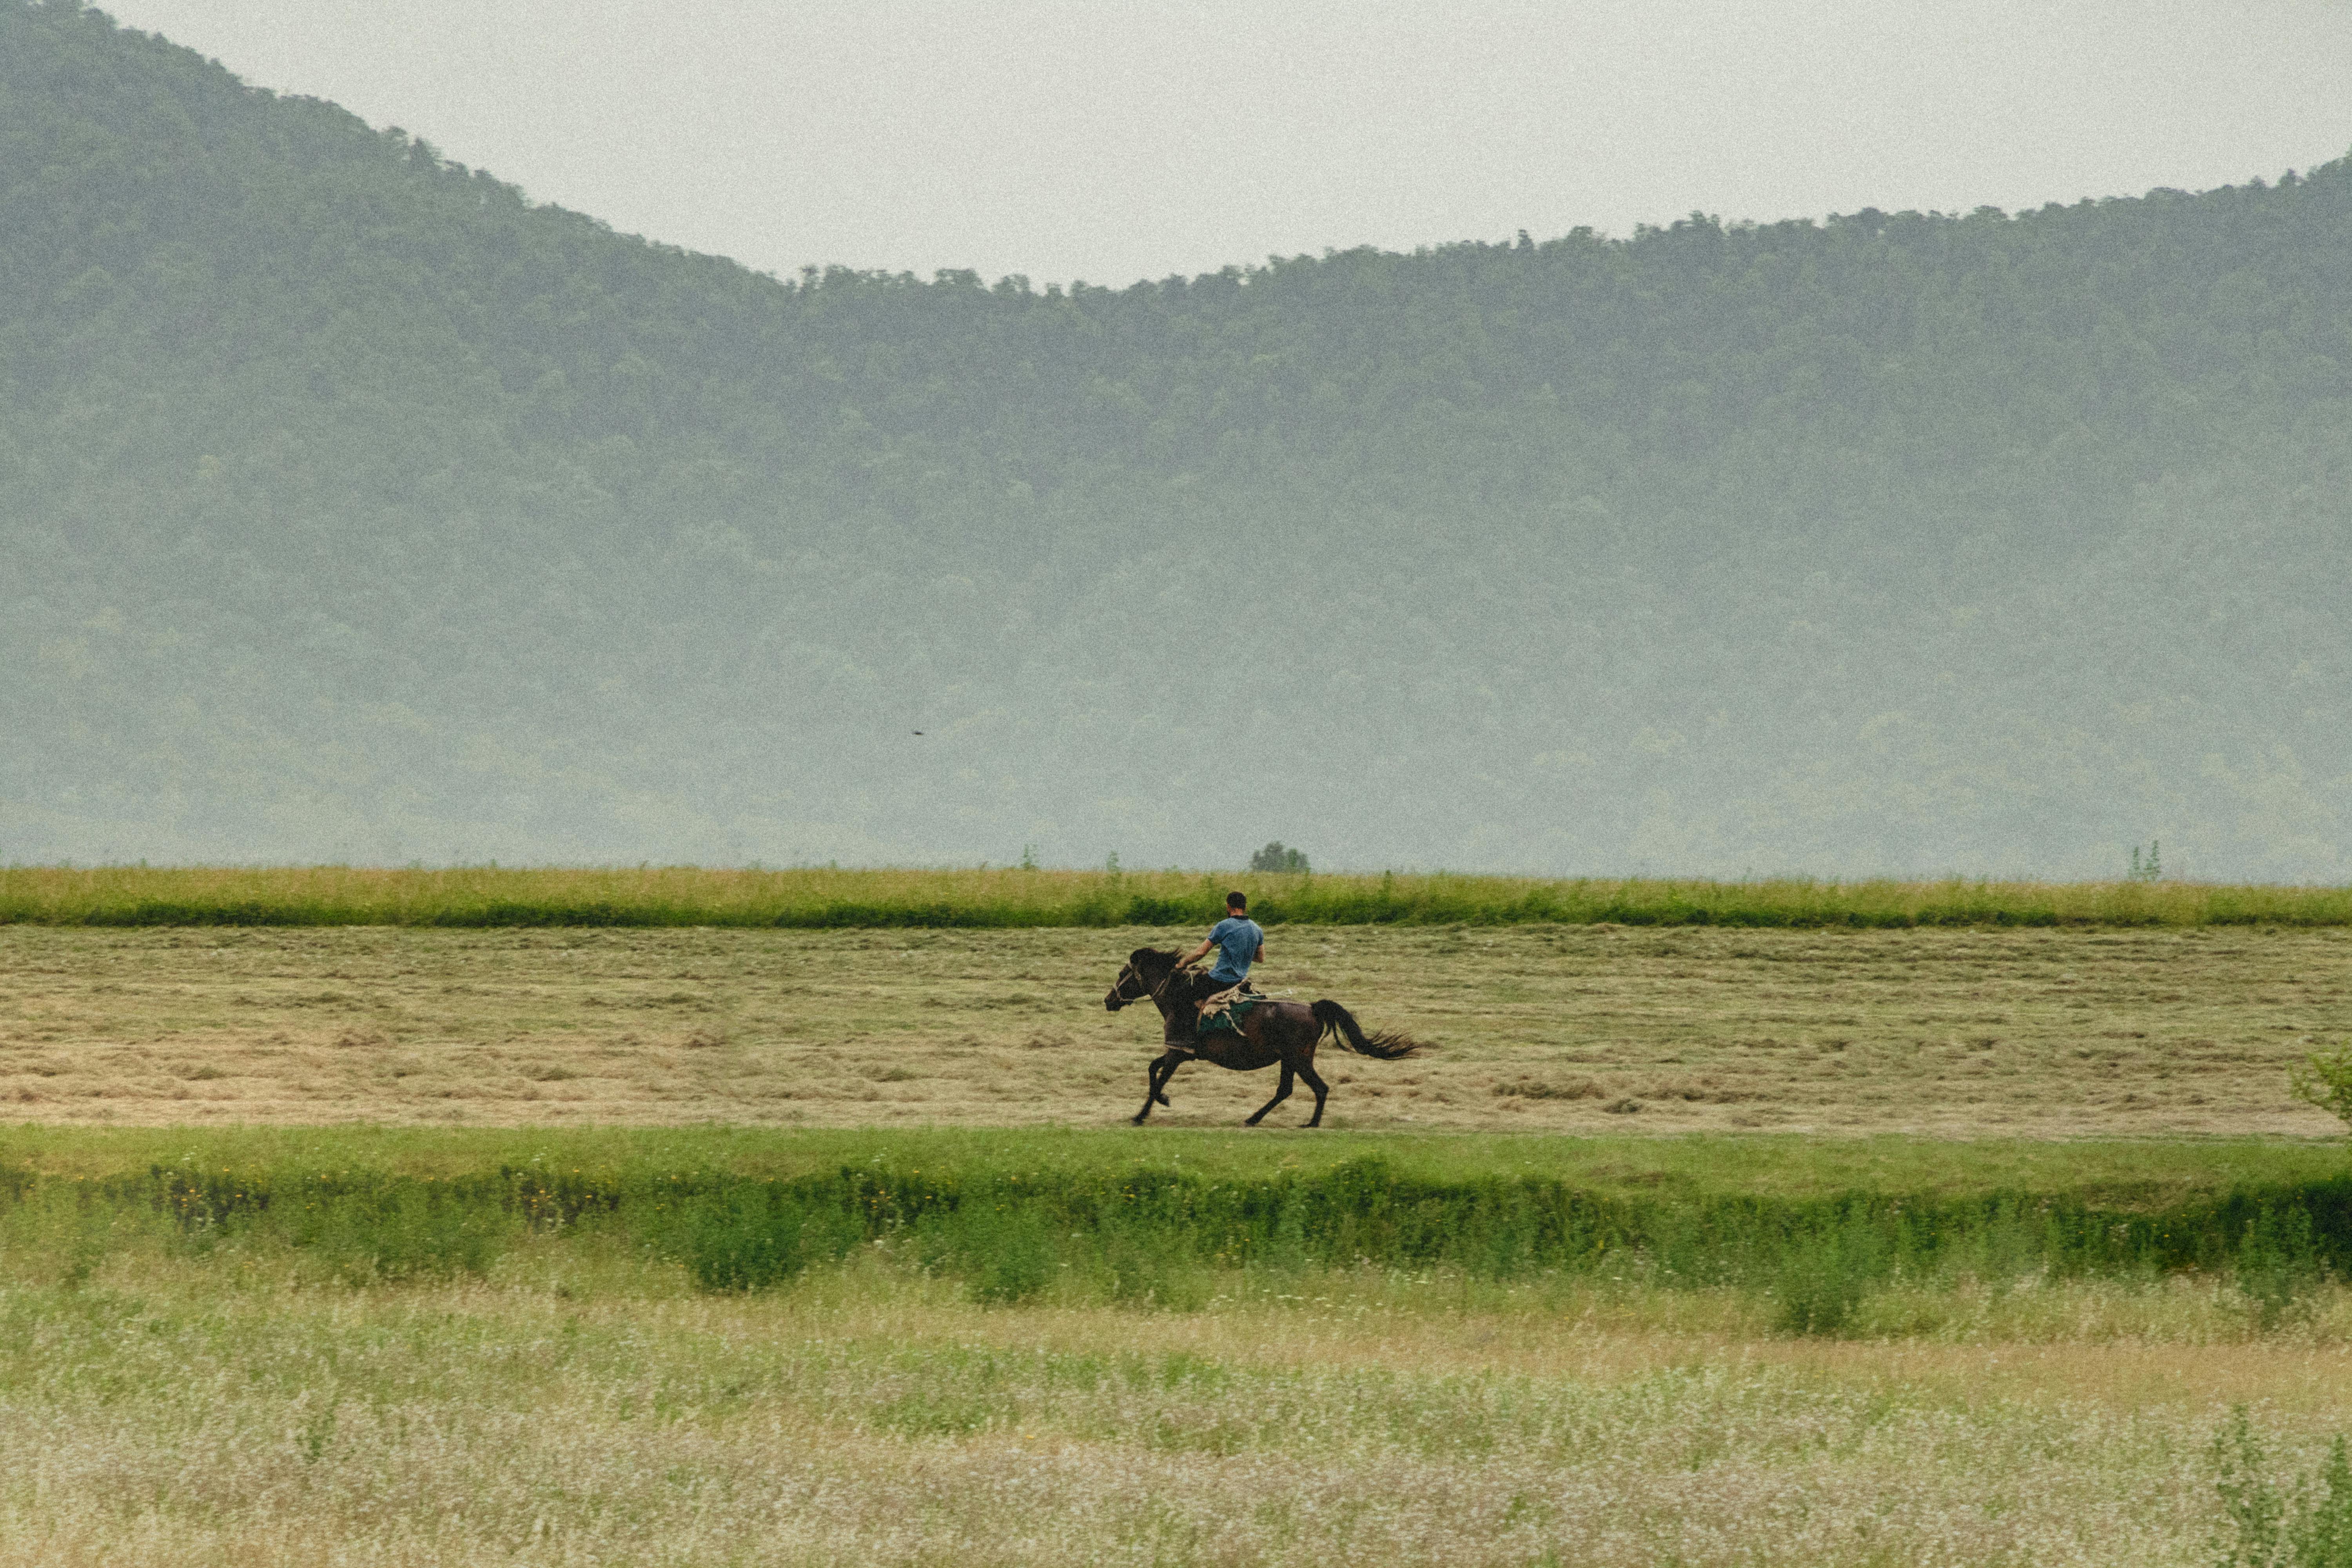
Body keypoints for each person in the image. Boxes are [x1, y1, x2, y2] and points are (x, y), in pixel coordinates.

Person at [1177, 891, 1264, 1023]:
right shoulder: (1257, 929)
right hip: (1241, 981)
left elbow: (1201, 953)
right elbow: (1260, 958)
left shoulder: (1224, 926)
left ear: (1228, 907)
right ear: (1245, 907)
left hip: (1220, 980)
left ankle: (1190, 1030)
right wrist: (1241, 952)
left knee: (1183, 992)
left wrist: (1181, 964)